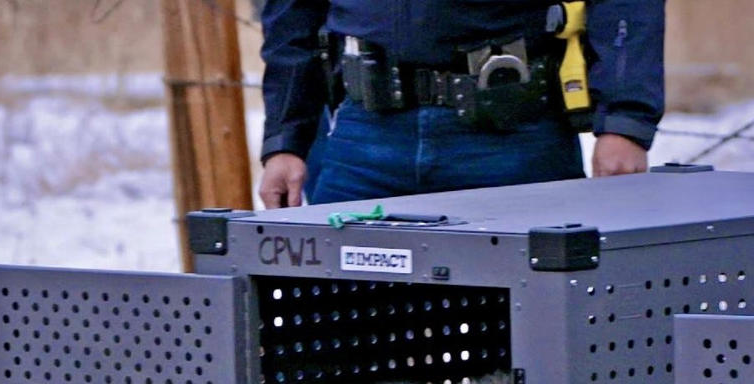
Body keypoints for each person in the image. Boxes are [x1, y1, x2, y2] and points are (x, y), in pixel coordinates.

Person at [258, 1, 665, 209]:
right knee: (342, 342)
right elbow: (290, 18)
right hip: (362, 146)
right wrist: (285, 140)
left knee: (528, 346)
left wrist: (625, 120)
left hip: (513, 141)